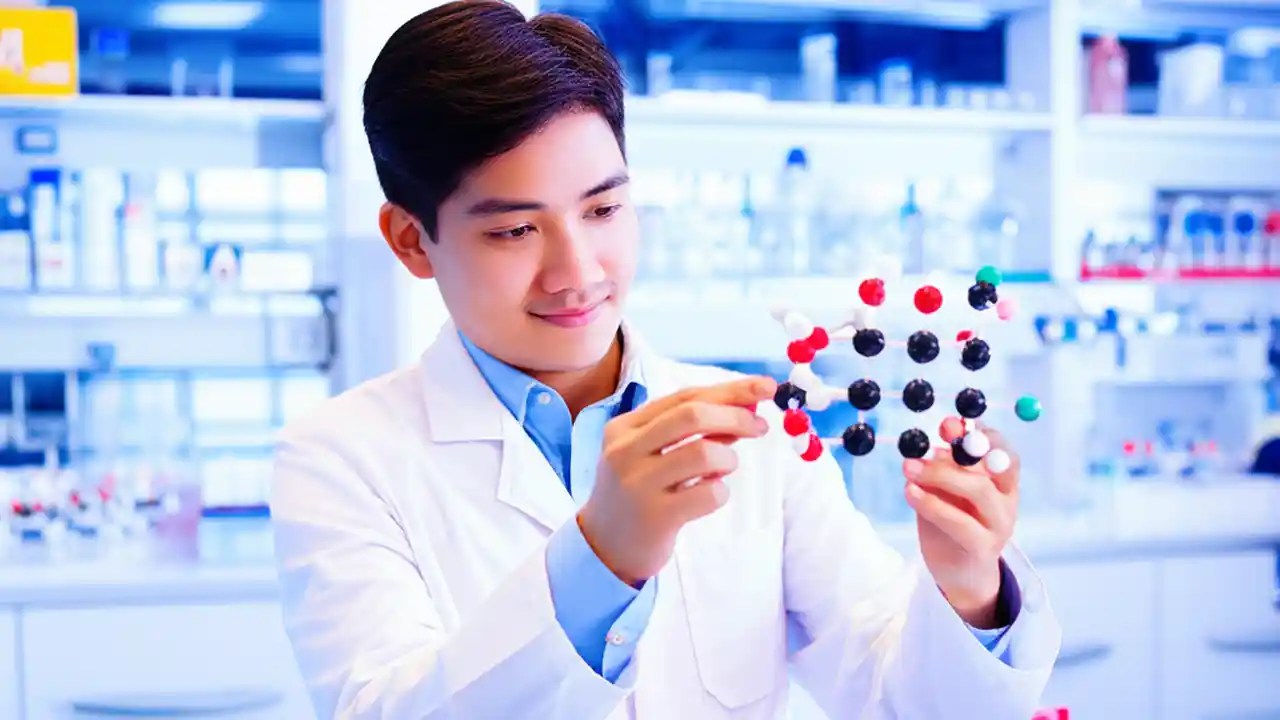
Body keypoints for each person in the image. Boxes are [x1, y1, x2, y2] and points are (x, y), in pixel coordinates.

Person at [269, 2, 1063, 718]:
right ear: (412, 240)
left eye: (605, 208)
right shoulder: (340, 460)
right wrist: (601, 560)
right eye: (515, 231)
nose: (577, 271)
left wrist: (969, 588)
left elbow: (899, 698)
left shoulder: (754, 430)